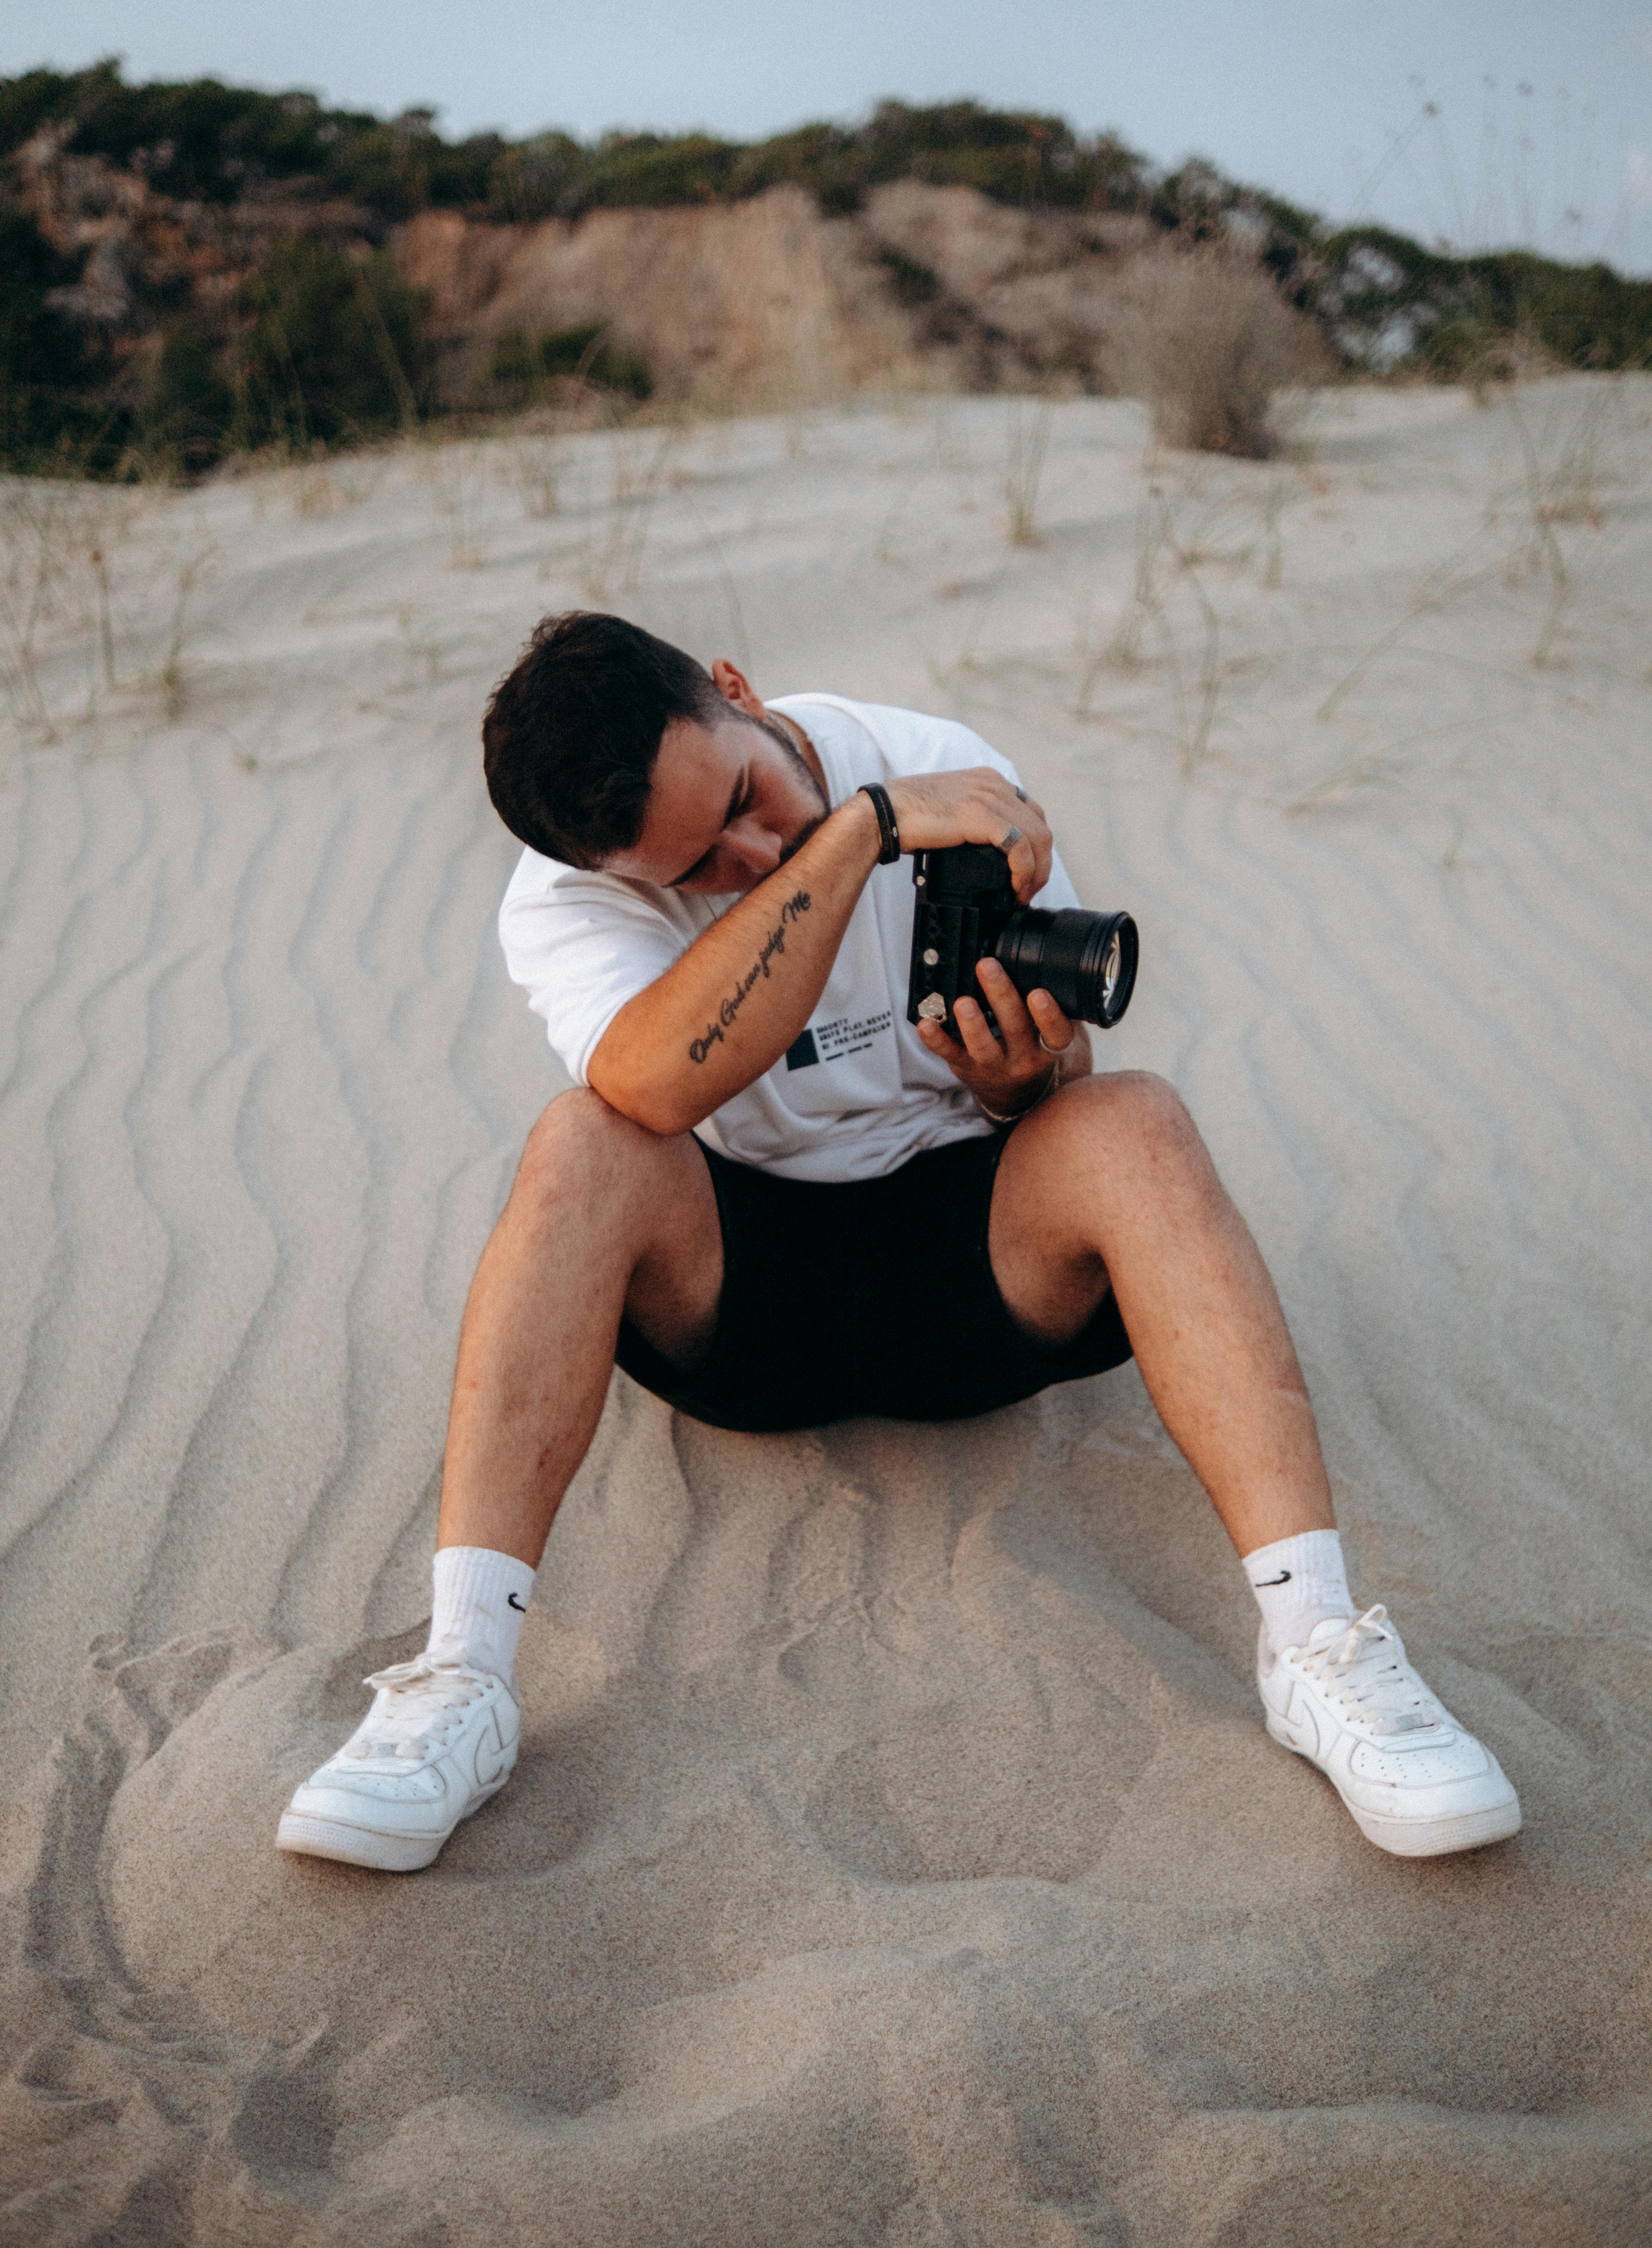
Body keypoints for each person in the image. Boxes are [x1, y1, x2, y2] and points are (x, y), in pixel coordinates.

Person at [277, 612, 1521, 1873]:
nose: (751, 855)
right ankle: (461, 1684)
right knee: (580, 1141)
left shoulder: (935, 762)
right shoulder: (577, 893)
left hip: (971, 1272)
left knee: (1134, 1122)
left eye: (747, 801)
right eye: (695, 869)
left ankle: (1318, 1651)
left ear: (736, 690)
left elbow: (1069, 1079)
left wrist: (1016, 1081)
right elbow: (652, 1086)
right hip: (747, 1306)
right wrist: (853, 835)